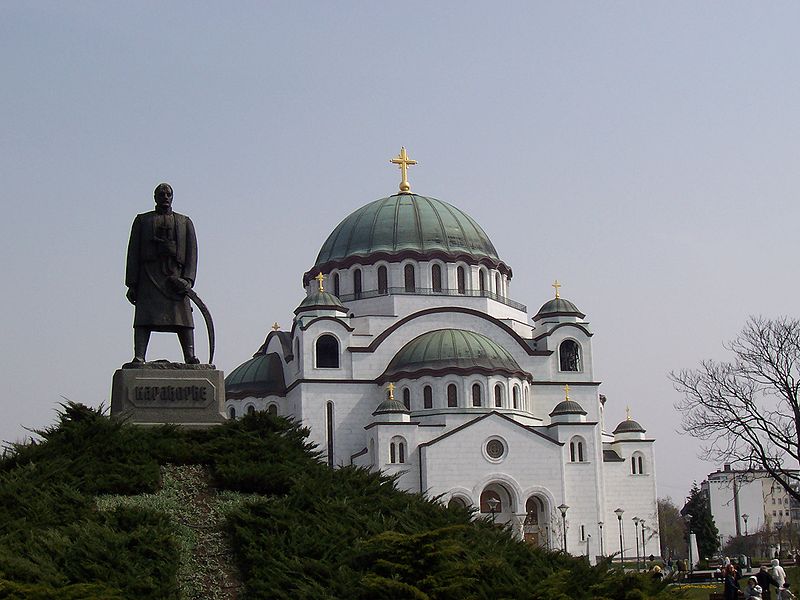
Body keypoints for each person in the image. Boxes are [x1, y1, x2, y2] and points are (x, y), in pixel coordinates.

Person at [126, 183, 199, 364]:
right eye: (161, 194)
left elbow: (192, 253)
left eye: (168, 194)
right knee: (144, 318)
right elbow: (133, 252)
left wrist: (187, 280)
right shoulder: (142, 221)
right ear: (155, 197)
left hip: (176, 279)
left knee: (184, 318)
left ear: (172, 197)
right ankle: (139, 355)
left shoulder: (184, 222)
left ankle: (190, 356)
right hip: (149, 276)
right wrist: (132, 283)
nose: (165, 197)